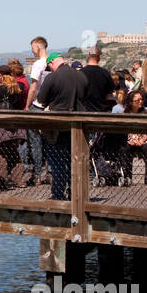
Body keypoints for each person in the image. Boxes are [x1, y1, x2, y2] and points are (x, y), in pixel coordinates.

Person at [35, 52, 89, 200]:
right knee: (75, 161)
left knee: (58, 162)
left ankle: (58, 193)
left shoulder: (52, 77)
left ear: (52, 63)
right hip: (79, 126)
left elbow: (41, 101)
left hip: (58, 126)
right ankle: (75, 192)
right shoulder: (82, 76)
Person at [0, 64, 27, 189]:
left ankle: (0, 181)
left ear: (0, 76)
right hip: (14, 124)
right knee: (14, 154)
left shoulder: (1, 89)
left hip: (1, 124)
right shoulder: (17, 88)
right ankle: (20, 180)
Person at [23, 36, 49, 184]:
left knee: (35, 141)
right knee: (50, 140)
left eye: (32, 47)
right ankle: (51, 170)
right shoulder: (52, 63)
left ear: (38, 47)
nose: (32, 51)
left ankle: (38, 172)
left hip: (38, 104)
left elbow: (33, 87)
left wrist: (27, 106)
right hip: (51, 106)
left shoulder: (38, 64)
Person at [119, 90, 147, 186]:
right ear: (130, 102)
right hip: (129, 139)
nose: (140, 102)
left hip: (143, 139)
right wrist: (132, 139)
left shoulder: (146, 112)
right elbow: (123, 130)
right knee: (125, 148)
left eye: (141, 99)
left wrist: (142, 140)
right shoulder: (124, 113)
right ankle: (127, 177)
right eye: (137, 100)